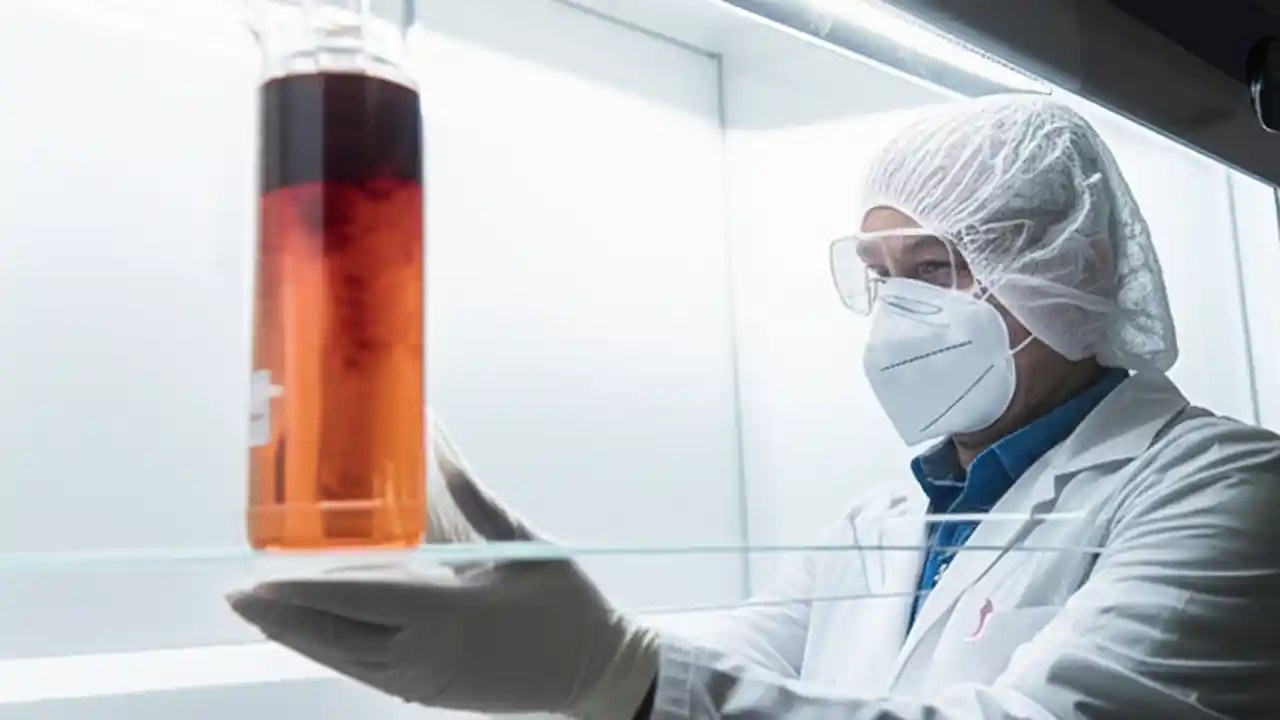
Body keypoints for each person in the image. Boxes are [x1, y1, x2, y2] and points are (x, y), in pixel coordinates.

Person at [228, 95, 1280, 719]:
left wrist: (606, 671)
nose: (900, 309)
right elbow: (734, 665)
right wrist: (530, 635)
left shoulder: (1226, 488)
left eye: (937, 266)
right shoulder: (885, 521)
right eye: (880, 274)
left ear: (1073, 265)